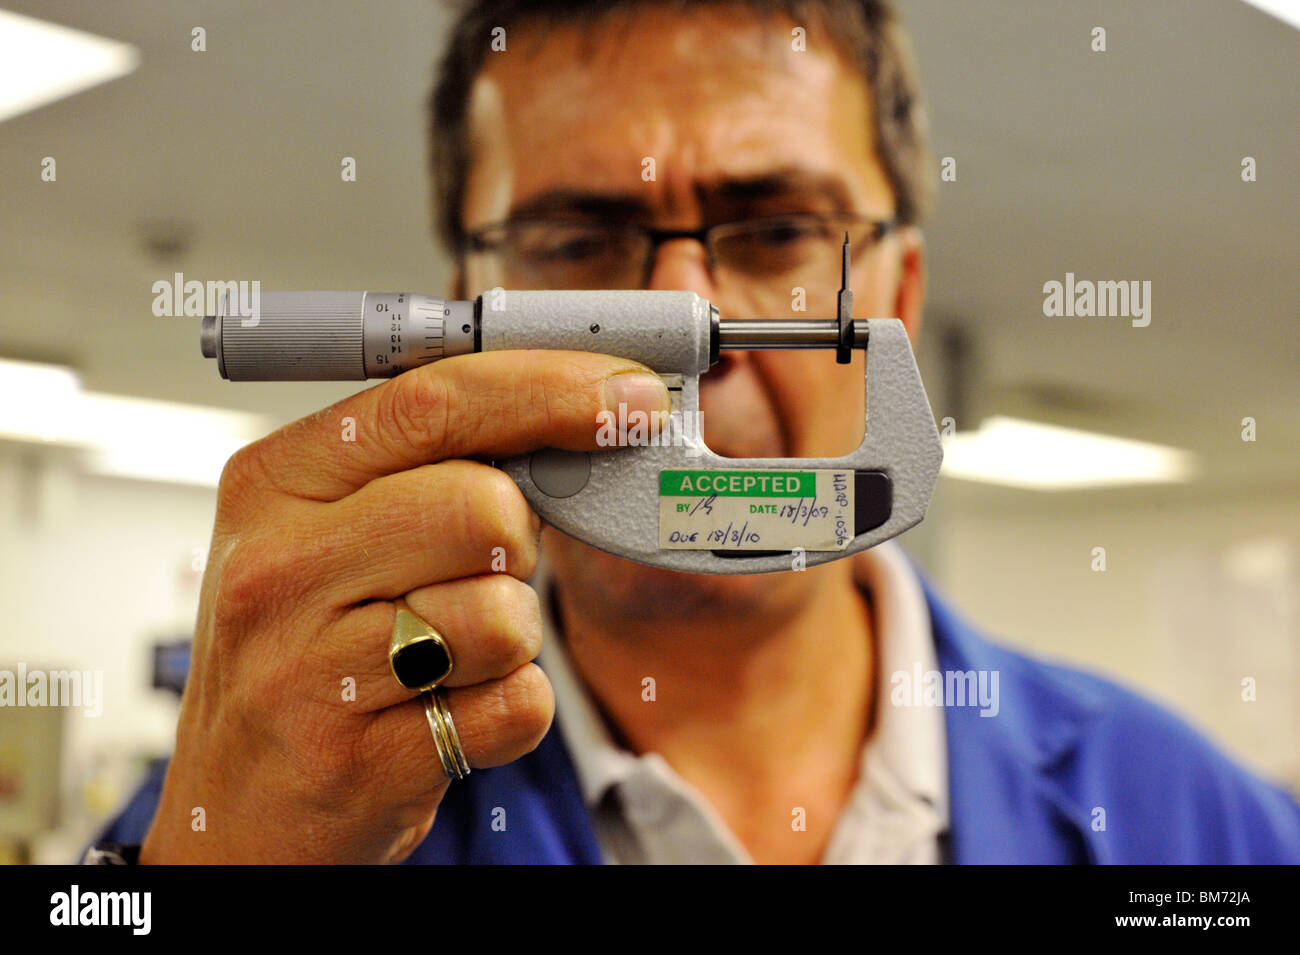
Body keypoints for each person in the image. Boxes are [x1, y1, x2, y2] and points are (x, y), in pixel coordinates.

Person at [91, 0, 1300, 864]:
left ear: (901, 297)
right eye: (577, 243)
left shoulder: (1194, 821)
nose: (687, 328)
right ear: (461, 308)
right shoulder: (280, 802)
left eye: (774, 231)